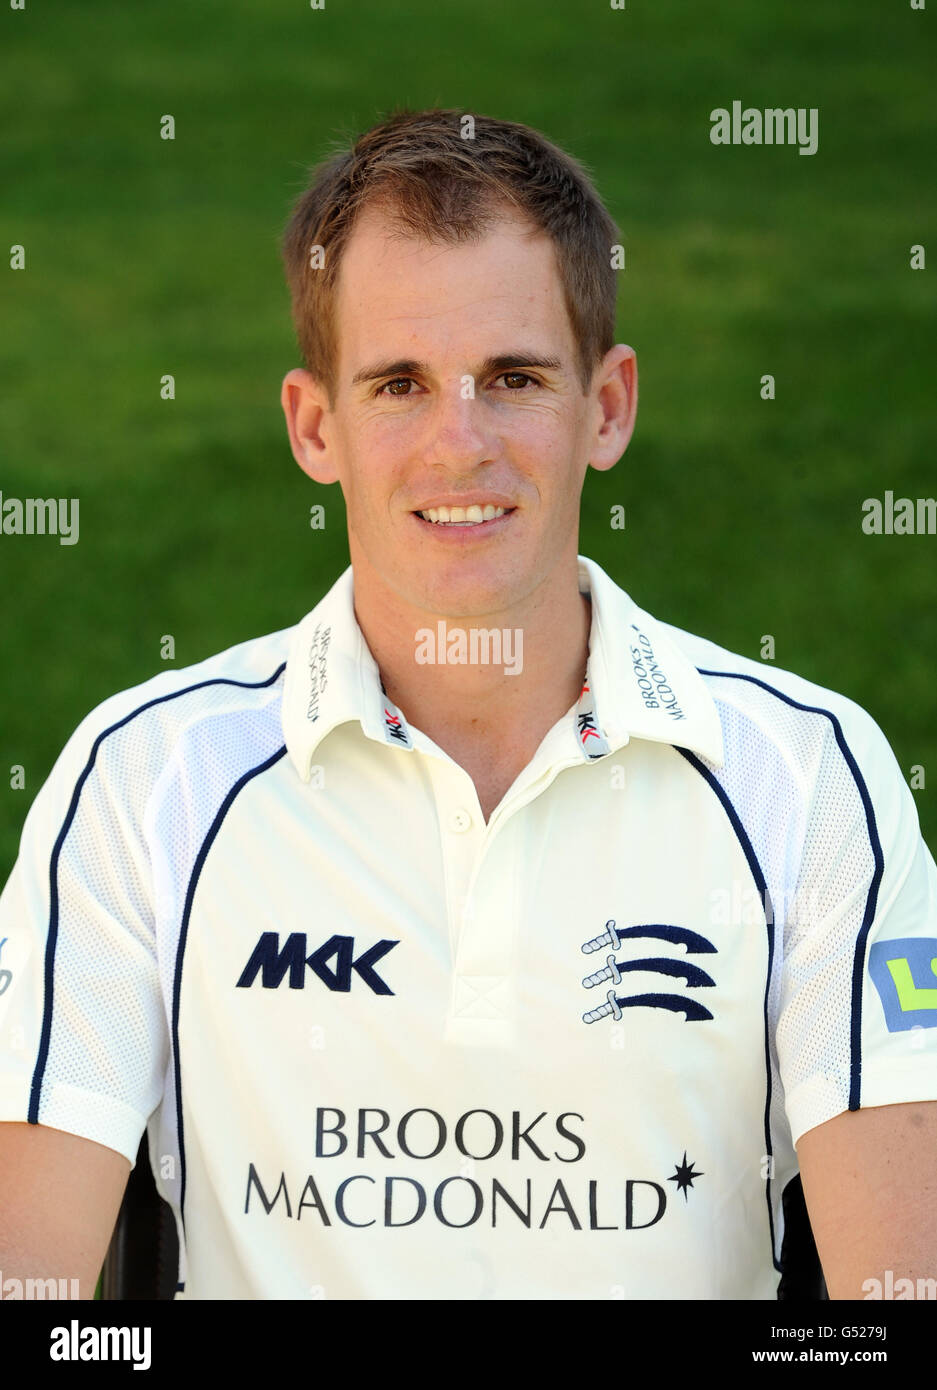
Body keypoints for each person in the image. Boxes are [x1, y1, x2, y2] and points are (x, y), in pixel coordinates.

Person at [1, 108, 935, 1302]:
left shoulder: (807, 775)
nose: (461, 443)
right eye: (398, 383)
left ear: (607, 406)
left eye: (513, 378)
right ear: (314, 425)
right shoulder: (143, 781)